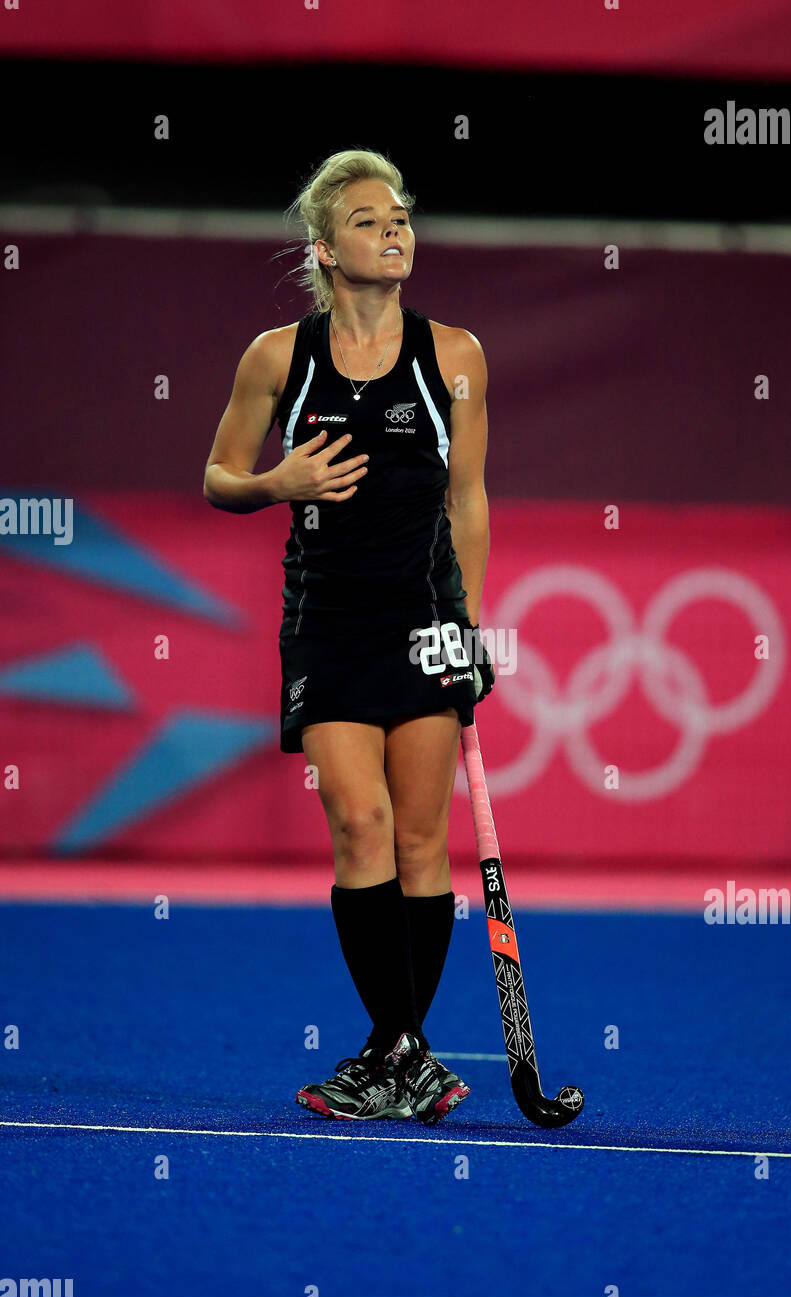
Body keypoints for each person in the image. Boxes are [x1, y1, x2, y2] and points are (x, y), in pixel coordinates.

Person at [203, 149, 494, 1123]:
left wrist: (469, 625)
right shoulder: (277, 357)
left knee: (421, 837)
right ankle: (407, 1050)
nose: (396, 229)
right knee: (359, 824)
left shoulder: (452, 354)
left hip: (421, 624)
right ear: (326, 248)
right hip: (325, 622)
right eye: (371, 220)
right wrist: (275, 484)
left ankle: (391, 1054)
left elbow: (468, 498)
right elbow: (218, 477)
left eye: (402, 215)